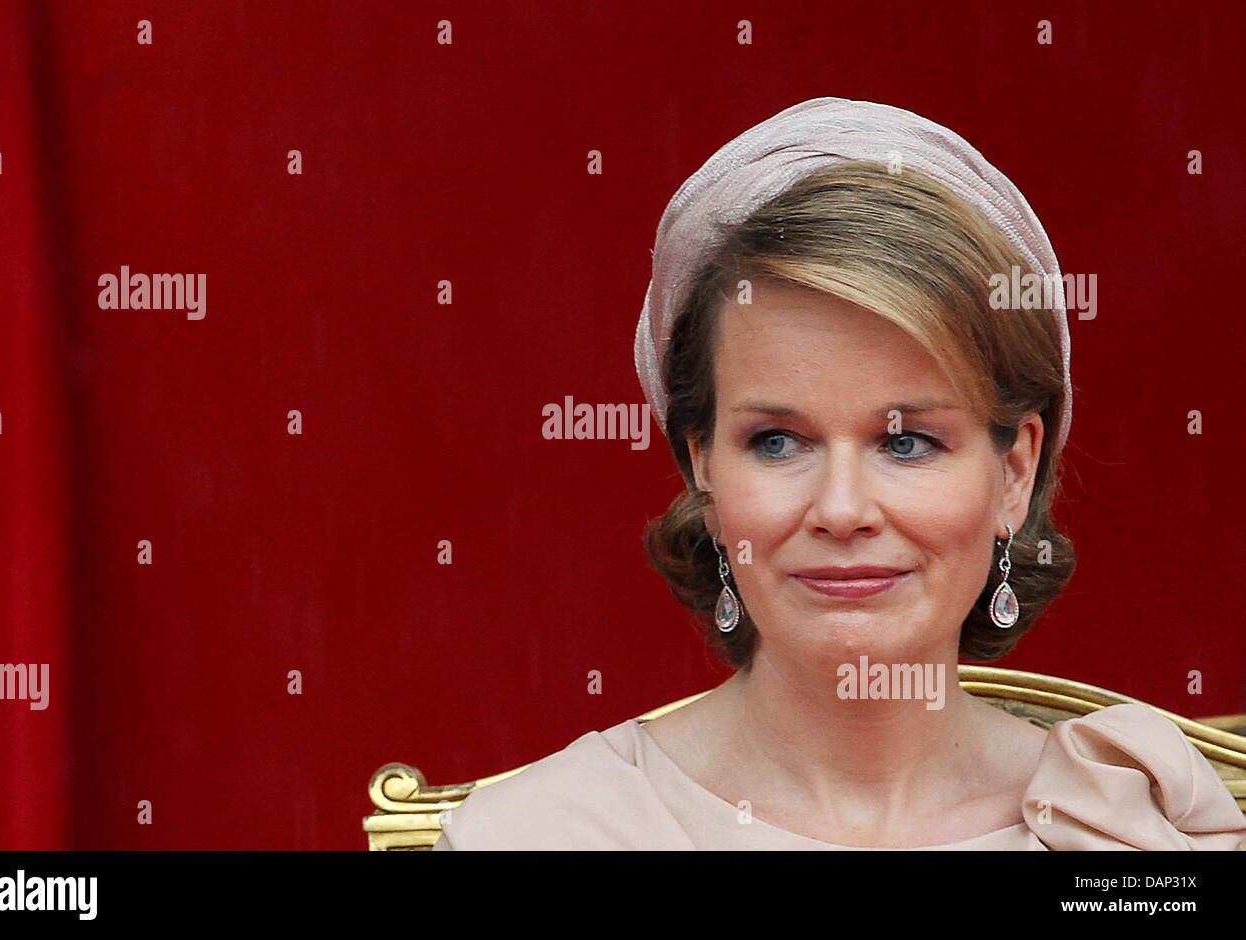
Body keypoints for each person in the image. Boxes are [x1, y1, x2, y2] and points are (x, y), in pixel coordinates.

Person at [433, 97, 1246, 850]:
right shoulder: (538, 834)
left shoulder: (1132, 832)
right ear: (702, 470)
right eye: (779, 442)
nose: (843, 509)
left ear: (1014, 474)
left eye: (907, 443)